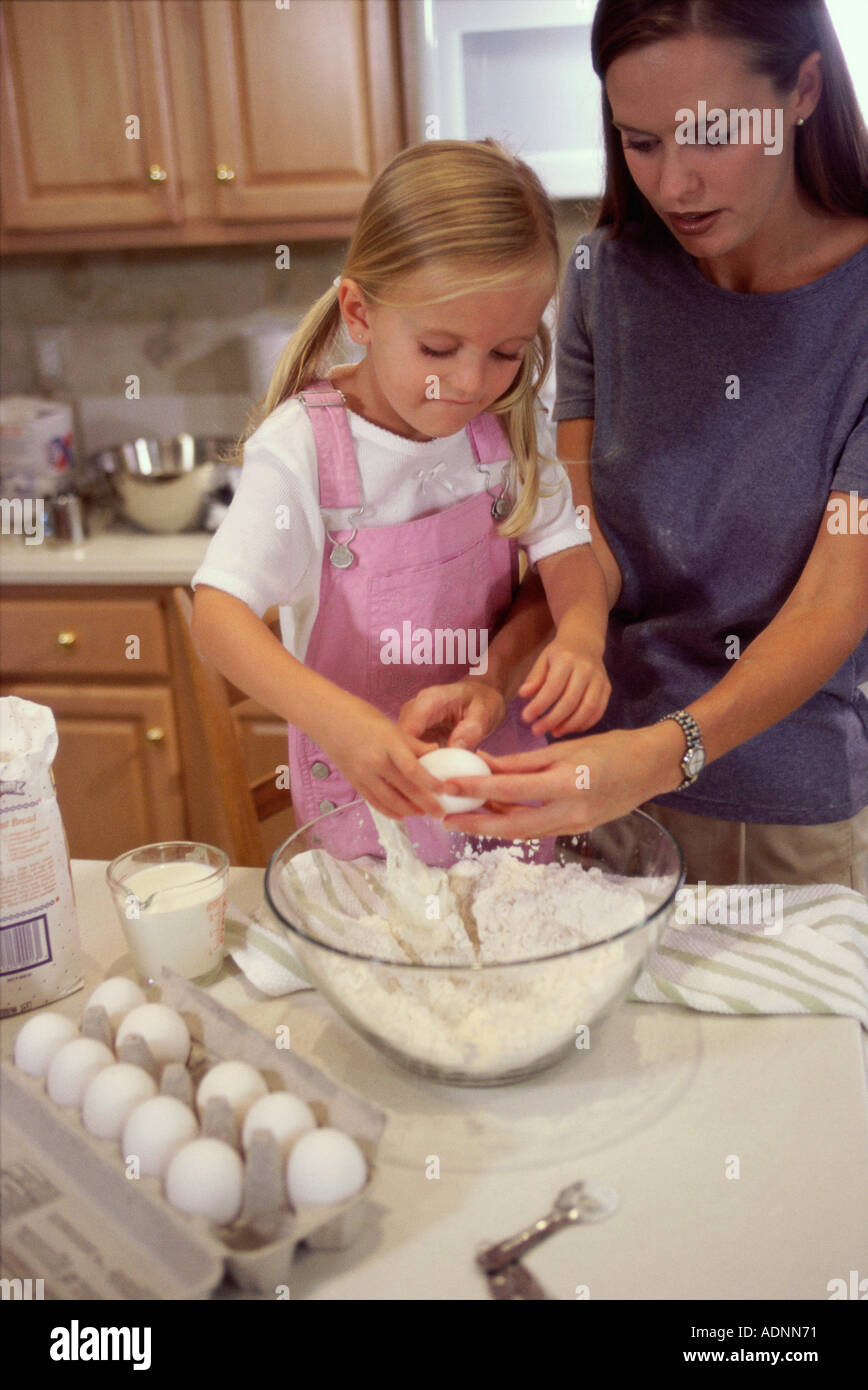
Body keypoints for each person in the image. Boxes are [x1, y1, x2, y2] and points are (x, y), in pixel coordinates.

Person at [411, 0, 868, 892]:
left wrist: (666, 754)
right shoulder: (604, 277)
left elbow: (831, 605)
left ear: (803, 88)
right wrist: (498, 678)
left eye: (708, 135)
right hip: (594, 781)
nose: (675, 186)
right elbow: (582, 552)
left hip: (773, 810)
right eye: (641, 140)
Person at [190, 139, 612, 855]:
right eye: (440, 349)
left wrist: (581, 637)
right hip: (363, 801)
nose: (473, 383)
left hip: (494, 775)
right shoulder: (304, 450)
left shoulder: (505, 427)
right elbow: (218, 616)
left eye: (507, 352)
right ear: (359, 313)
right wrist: (342, 724)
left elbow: (568, 554)